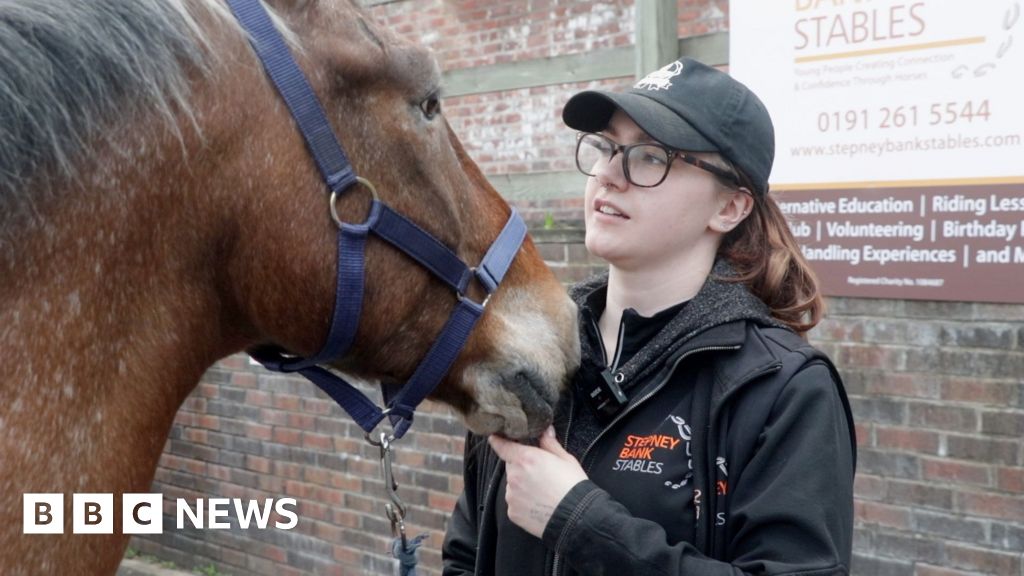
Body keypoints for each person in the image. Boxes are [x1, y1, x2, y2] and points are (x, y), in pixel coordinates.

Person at [442, 57, 856, 576]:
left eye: (650, 156)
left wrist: (577, 521)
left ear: (729, 207)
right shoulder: (529, 354)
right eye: (607, 147)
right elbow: (465, 555)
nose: (610, 174)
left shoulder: (781, 390)